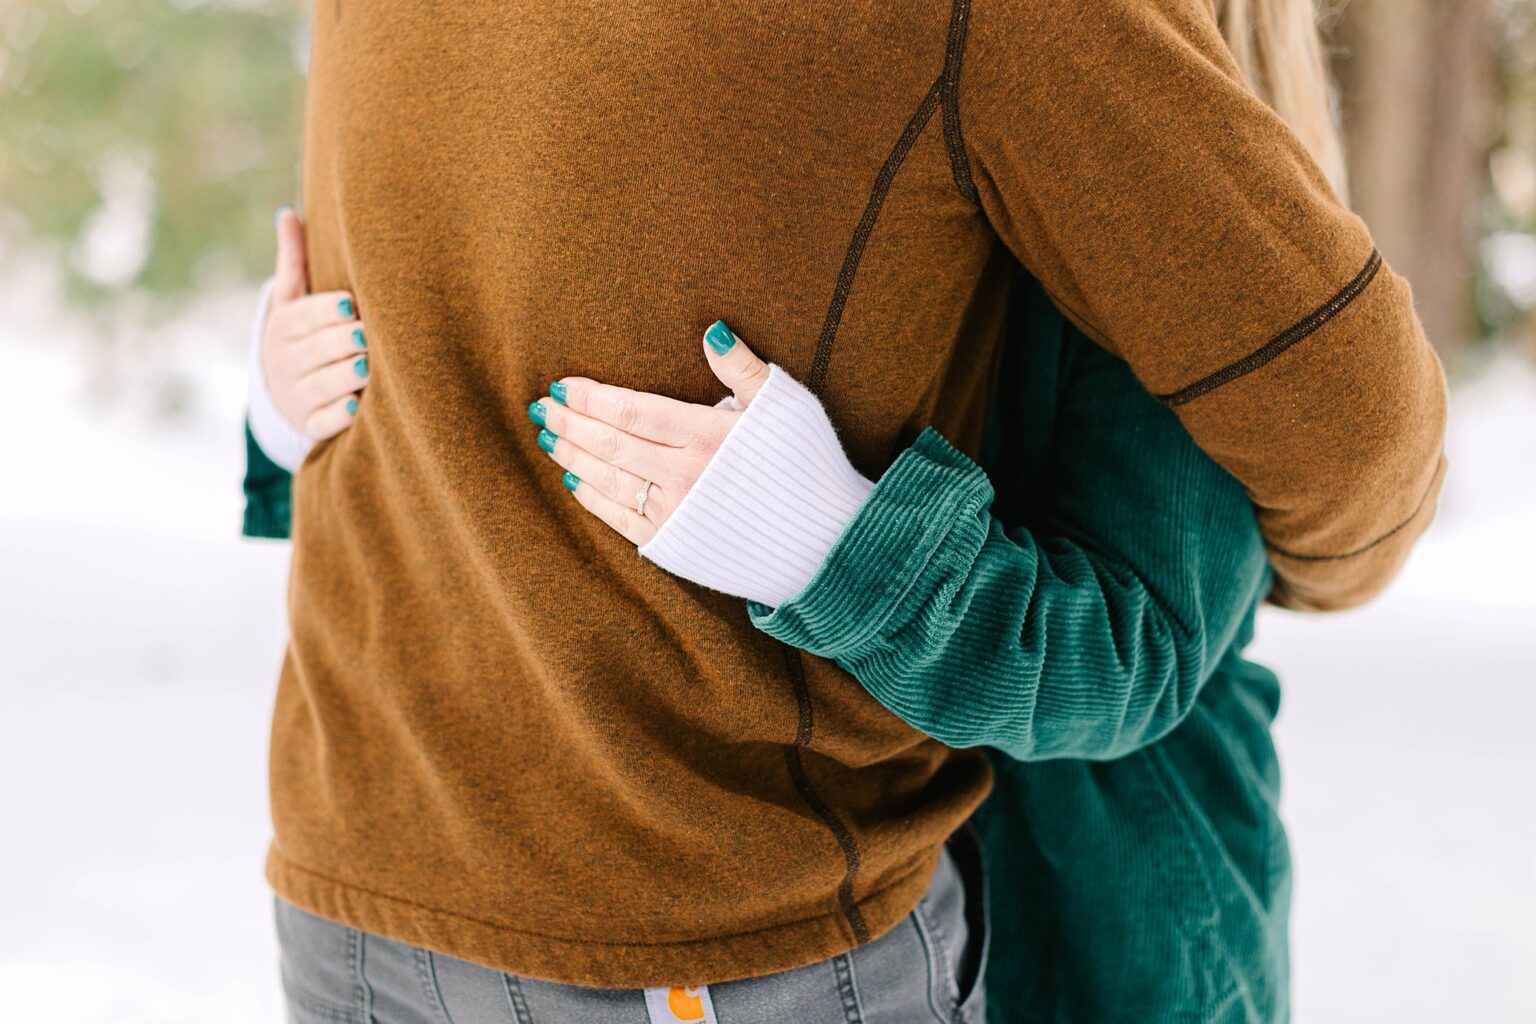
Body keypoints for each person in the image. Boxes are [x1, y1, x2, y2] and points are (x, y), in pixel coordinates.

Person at [241, 1, 1448, 1021]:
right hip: (387, 887)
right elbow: (447, 348)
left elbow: (1191, 603)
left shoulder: (1105, 115)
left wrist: (844, 548)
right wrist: (282, 424)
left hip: (1095, 914)